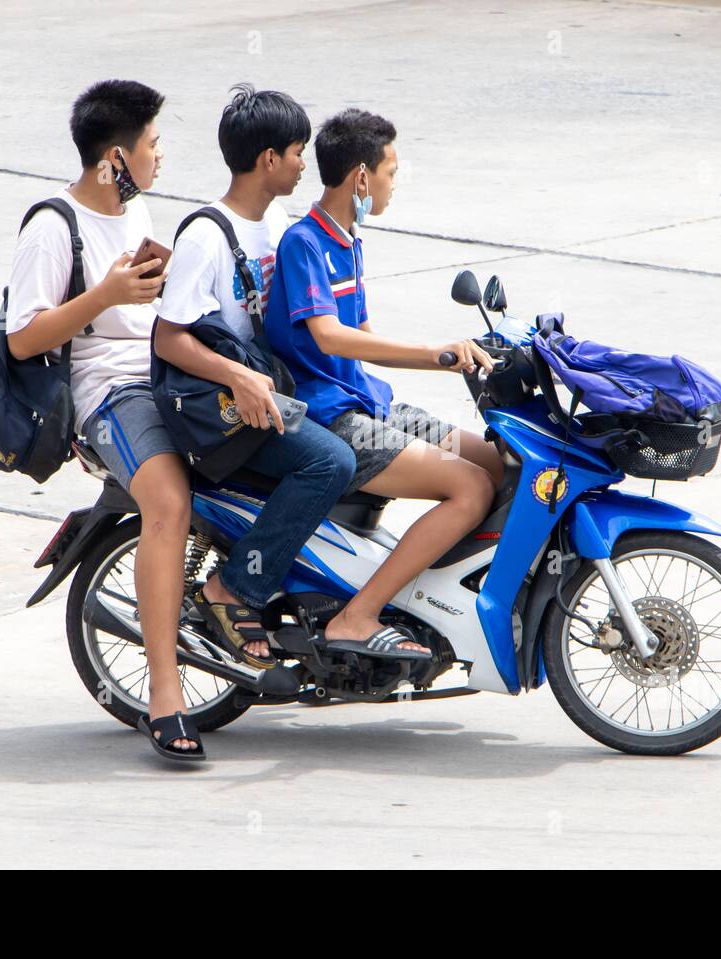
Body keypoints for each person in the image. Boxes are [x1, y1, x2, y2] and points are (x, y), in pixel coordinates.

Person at [5, 79, 204, 758]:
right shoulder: (51, 226)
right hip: (107, 394)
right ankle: (165, 693)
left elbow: (145, 303)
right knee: (168, 502)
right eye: (153, 143)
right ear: (112, 158)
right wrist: (105, 293)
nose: (161, 156)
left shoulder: (133, 211)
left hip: (163, 374)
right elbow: (24, 338)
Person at [264, 108, 504, 658]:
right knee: (469, 488)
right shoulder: (305, 242)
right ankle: (359, 615)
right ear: (362, 178)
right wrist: (433, 353)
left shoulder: (348, 239)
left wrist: (449, 353)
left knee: (502, 462)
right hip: (338, 420)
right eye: (391, 172)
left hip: (373, 405)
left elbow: (365, 335)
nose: (394, 184)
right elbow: (329, 337)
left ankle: (443, 598)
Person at [154, 86, 356, 670]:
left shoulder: (275, 218)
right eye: (297, 152)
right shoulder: (206, 237)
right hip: (223, 410)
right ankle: (233, 589)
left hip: (273, 392)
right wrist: (238, 377)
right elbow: (170, 338)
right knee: (332, 461)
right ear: (269, 159)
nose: (303, 164)